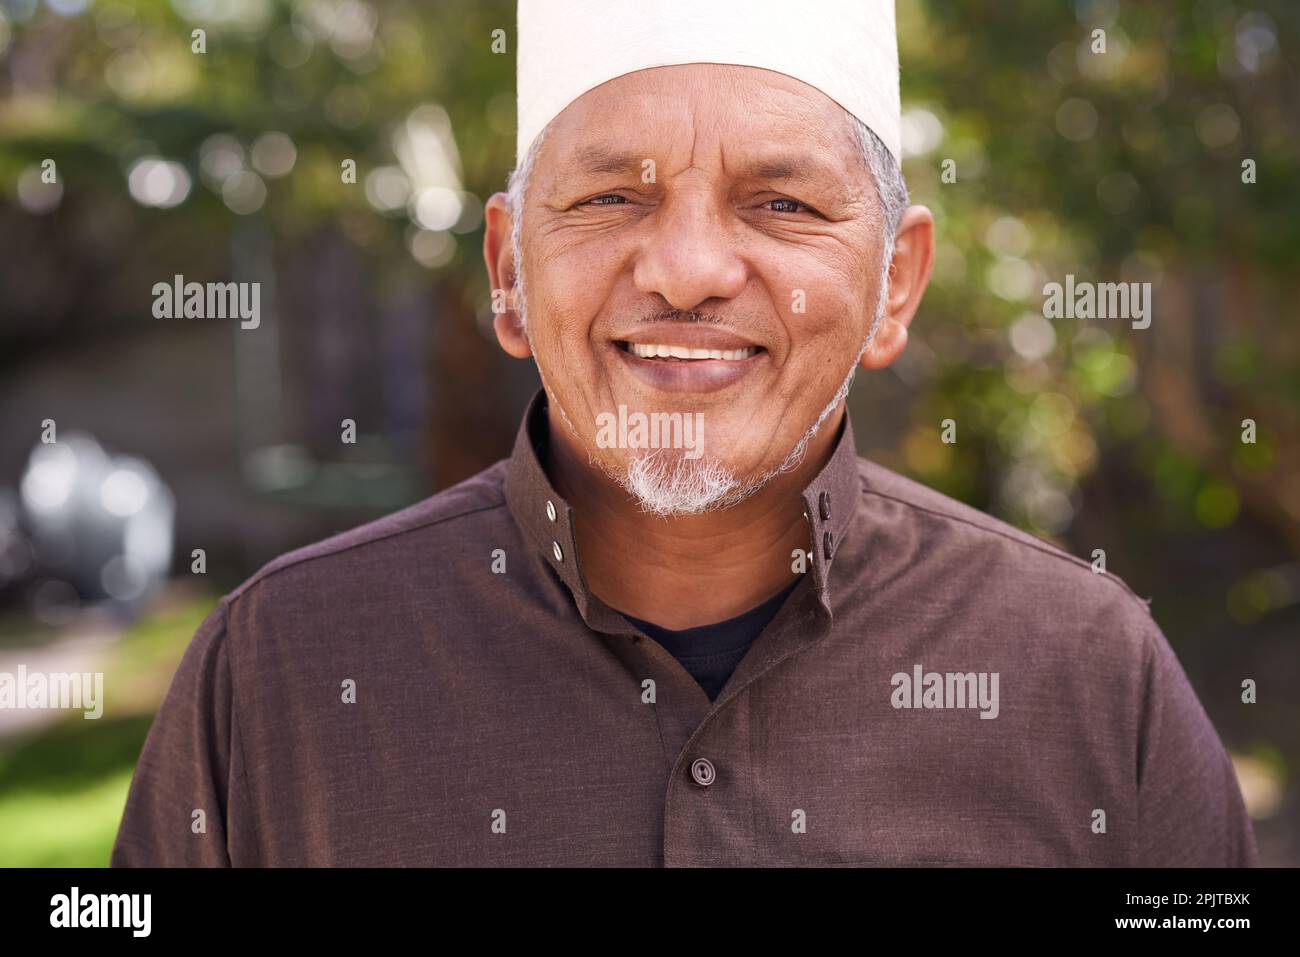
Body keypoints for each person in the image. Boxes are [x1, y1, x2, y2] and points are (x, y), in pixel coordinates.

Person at [112, 0, 1257, 867]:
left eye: (783, 204)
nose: (689, 271)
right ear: (508, 274)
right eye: (611, 197)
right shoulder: (281, 672)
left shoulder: (1088, 673)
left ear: (895, 285)